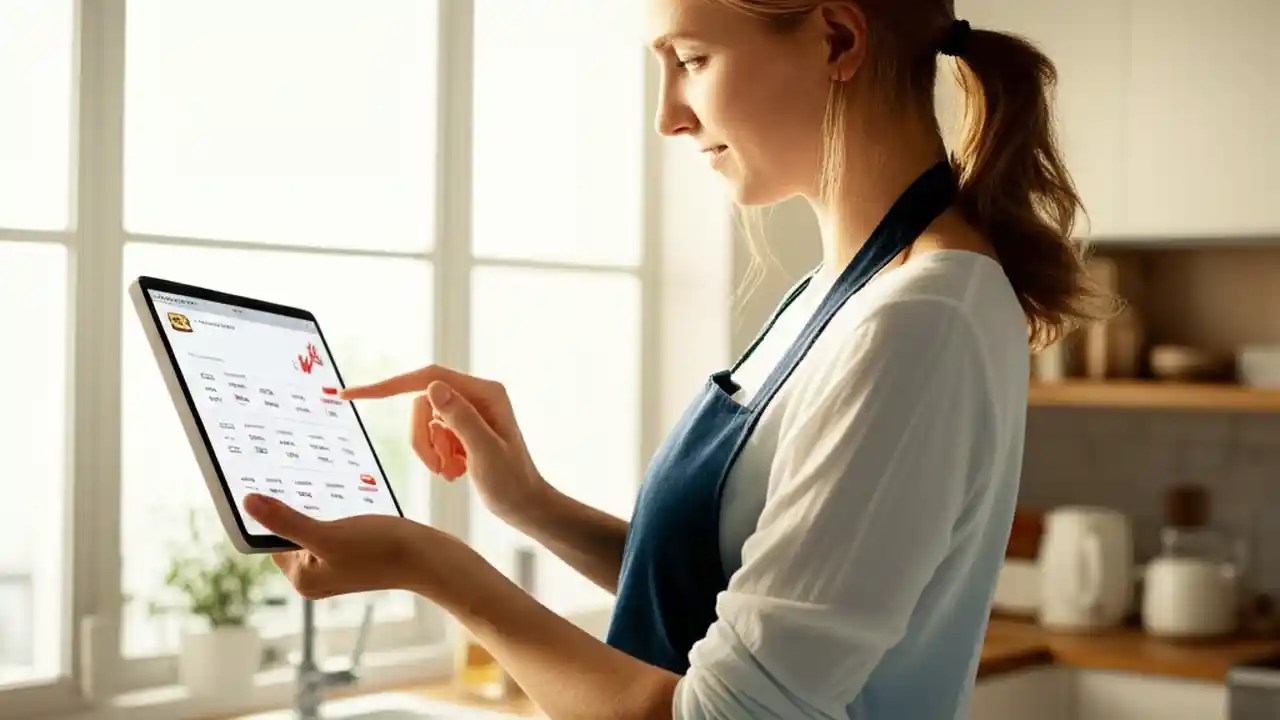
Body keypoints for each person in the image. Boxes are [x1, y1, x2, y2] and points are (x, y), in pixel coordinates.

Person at [243, 0, 1104, 717]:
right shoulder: (835, 293)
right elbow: (732, 596)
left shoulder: (921, 321)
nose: (668, 114)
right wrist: (532, 504)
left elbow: (729, 714)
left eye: (690, 58)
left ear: (838, 40)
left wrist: (427, 565)